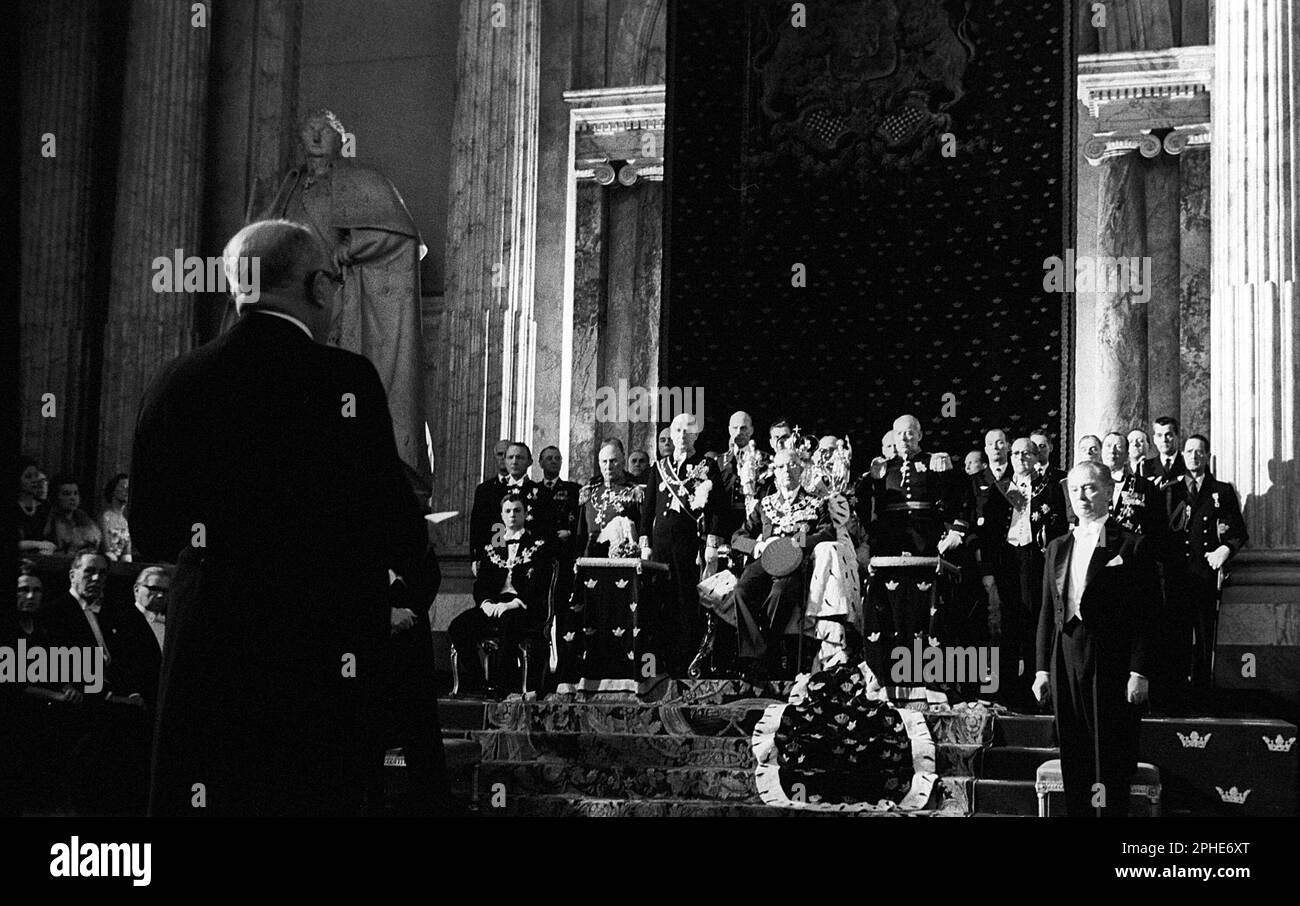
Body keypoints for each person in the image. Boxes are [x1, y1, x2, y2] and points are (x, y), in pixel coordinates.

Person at [132, 219, 426, 816]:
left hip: (208, 636)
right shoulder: (346, 379)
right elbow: (391, 517)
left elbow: (152, 528)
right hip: (320, 639)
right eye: (337, 281)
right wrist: (407, 582)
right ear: (319, 285)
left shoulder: (177, 377)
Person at [236, 109, 429, 485]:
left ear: (340, 138)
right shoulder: (287, 190)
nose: (316, 136)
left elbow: (401, 236)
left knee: (340, 380)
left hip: (340, 295)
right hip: (294, 302)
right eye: (309, 130)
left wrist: (355, 245)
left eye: (325, 130)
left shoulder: (365, 182)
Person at [1033, 462, 1158, 817]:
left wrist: (1139, 671)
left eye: (1090, 488)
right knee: (1074, 753)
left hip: (1110, 658)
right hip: (1065, 653)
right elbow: (1047, 610)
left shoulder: (1131, 545)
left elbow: (1148, 614)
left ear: (1108, 492)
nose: (1082, 497)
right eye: (1075, 490)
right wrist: (1042, 670)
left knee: (1109, 753)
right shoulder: (1057, 546)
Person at [44, 553, 161, 814]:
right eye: (89, 572)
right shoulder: (55, 612)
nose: (96, 578)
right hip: (83, 707)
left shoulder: (113, 613)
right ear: (73, 574)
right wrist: (105, 695)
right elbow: (56, 665)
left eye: (102, 574)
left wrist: (128, 691)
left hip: (115, 703)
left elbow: (126, 658)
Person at [711, 448, 834, 682]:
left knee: (780, 592)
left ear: (801, 469)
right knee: (741, 590)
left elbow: (827, 534)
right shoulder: (765, 504)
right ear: (774, 472)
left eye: (791, 465)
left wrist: (795, 542)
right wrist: (758, 546)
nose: (786, 470)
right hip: (764, 559)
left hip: (795, 564)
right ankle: (758, 655)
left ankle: (763, 659)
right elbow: (738, 537)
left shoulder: (816, 504)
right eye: (780, 467)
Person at [983, 438, 1068, 708]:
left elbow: (1060, 526)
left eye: (1026, 453)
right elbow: (989, 534)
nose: (1020, 458)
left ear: (1035, 457)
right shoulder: (1000, 489)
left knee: (1033, 621)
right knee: (1007, 625)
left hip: (1034, 560)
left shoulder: (1049, 489)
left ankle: (1036, 692)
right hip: (1007, 560)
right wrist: (988, 570)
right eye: (1016, 453)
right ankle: (1005, 691)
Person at [1162, 434, 1248, 696]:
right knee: (1175, 635)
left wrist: (1225, 549)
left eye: (1199, 452)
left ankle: (1201, 694)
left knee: (1203, 636)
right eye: (1189, 451)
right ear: (1183, 454)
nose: (1194, 456)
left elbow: (1238, 532)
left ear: (1207, 456)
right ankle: (1176, 693)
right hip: (1176, 575)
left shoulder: (1221, 490)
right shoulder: (1170, 489)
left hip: (1205, 575)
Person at [641, 412, 724, 675]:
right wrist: (645, 543)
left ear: (696, 435)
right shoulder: (659, 467)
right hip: (661, 546)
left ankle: (686, 660)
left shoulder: (707, 466)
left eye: (688, 431)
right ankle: (661, 662)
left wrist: (712, 542)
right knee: (660, 601)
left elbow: (717, 509)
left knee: (685, 601)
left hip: (689, 546)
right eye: (677, 431)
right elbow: (647, 509)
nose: (682, 436)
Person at [449, 493, 553, 696]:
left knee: (509, 622)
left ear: (525, 513)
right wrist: (486, 603)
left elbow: (539, 583)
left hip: (522, 606)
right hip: (494, 604)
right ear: (502, 516)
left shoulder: (538, 545)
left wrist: (514, 603)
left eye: (517, 510)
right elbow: (481, 583)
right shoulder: (493, 546)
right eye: (508, 511)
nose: (512, 515)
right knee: (458, 627)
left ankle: (504, 685)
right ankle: (480, 682)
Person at [468, 441, 551, 560]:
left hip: (530, 558)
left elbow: (544, 529)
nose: (514, 461)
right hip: (495, 558)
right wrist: (476, 558)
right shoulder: (492, 491)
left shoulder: (541, 492)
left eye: (520, 457)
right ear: (505, 461)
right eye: (510, 457)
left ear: (530, 462)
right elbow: (479, 528)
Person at [1100, 432, 1158, 536]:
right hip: (1099, 545)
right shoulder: (1091, 484)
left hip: (1130, 547)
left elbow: (1152, 524)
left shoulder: (1143, 485)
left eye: (1118, 447)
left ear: (1127, 454)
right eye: (1108, 446)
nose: (1112, 451)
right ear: (1101, 451)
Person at [716, 411, 756, 543]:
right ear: (729, 430)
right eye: (735, 428)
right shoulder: (719, 462)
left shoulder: (763, 459)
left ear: (751, 430)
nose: (739, 431)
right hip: (725, 522)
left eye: (743, 428)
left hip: (752, 521)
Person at [43, 476, 103, 557]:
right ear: (56, 497)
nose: (73, 498)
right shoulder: (51, 519)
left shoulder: (83, 517)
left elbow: (95, 539)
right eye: (67, 494)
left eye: (75, 493)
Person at [17, 457, 54, 556]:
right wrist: (38, 544)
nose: (34, 480)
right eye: (28, 477)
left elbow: (50, 540)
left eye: (36, 475)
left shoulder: (45, 507)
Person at [131, 565, 170, 652]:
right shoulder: (121, 618)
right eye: (154, 589)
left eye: (165, 591)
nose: (160, 595)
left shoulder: (170, 625)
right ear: (136, 589)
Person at [1142, 416, 1186, 488]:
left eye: (1168, 435)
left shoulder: (1188, 464)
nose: (1164, 440)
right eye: (1159, 435)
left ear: (1177, 437)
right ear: (1154, 439)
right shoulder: (1145, 467)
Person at [98, 473, 132, 562]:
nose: (126, 490)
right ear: (113, 490)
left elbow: (127, 554)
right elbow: (106, 551)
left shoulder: (125, 522)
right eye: (122, 487)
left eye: (128, 487)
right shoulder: (105, 517)